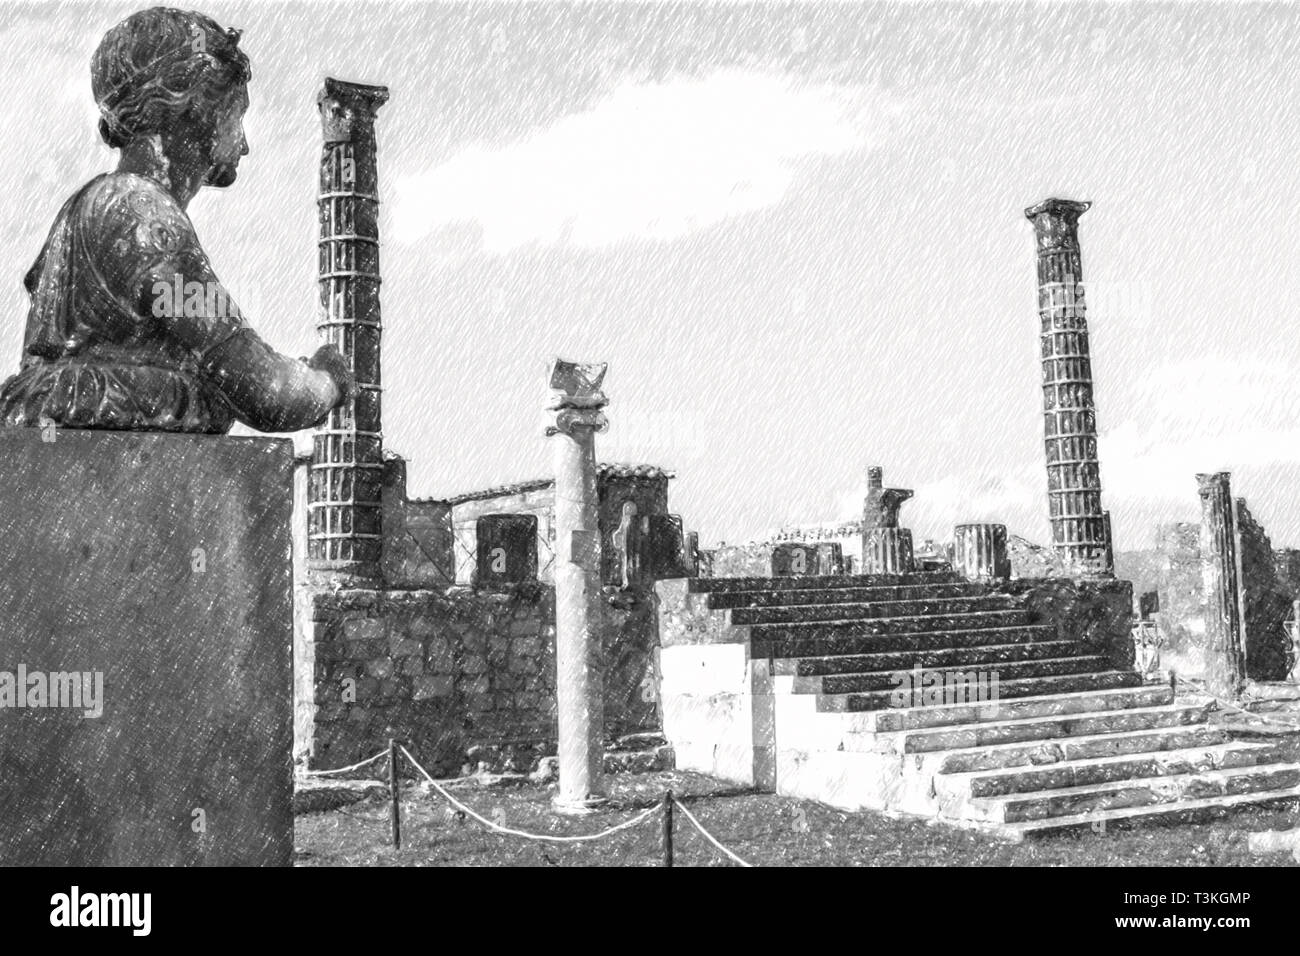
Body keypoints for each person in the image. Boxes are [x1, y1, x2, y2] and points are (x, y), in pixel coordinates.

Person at [0, 7, 355, 433]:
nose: (243, 145)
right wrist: (327, 379)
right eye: (237, 114)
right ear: (195, 106)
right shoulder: (142, 217)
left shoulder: (86, 209)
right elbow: (265, 393)